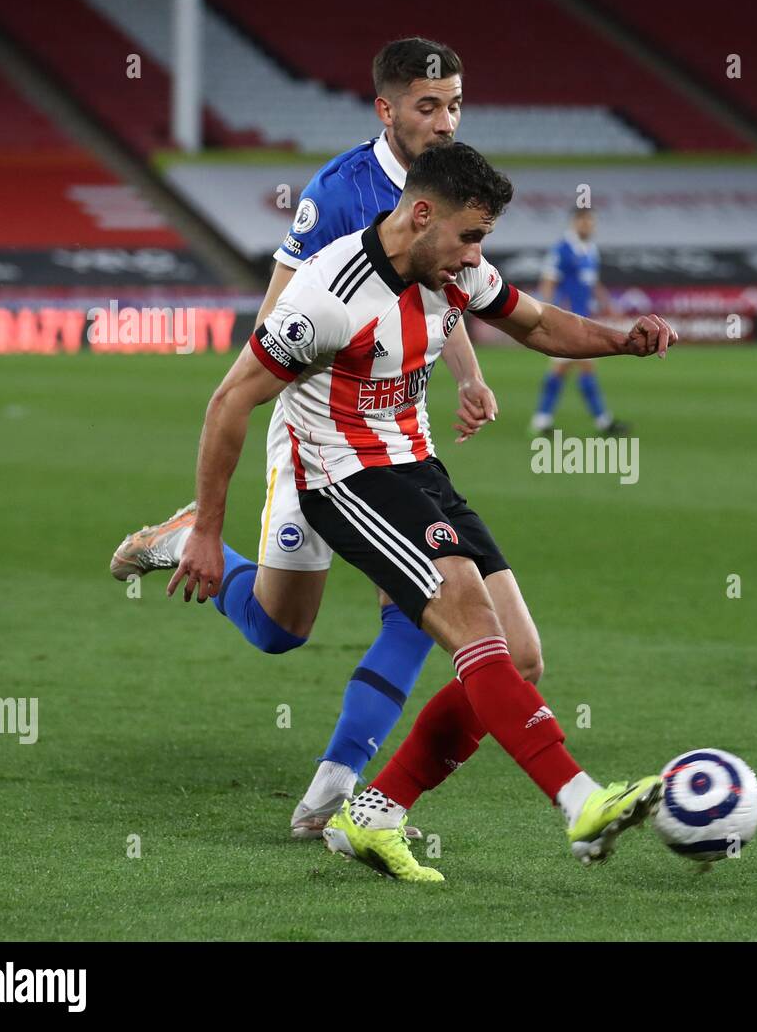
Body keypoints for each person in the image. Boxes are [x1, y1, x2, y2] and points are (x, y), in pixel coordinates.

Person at [168, 142, 678, 880]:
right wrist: (211, 529)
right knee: (465, 618)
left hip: (417, 466)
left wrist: (620, 341)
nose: (477, 254)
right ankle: (582, 800)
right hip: (346, 477)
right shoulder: (327, 295)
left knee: (522, 656)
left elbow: (534, 324)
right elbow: (230, 400)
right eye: (470, 235)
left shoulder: (455, 272)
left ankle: (375, 813)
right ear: (420, 213)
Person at [529, 207, 629, 437]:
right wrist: (547, 314)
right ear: (575, 222)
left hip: (583, 320)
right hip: (567, 321)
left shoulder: (590, 250)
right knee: (581, 366)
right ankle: (603, 421)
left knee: (562, 369)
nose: (589, 226)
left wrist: (608, 304)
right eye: (585, 222)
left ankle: (542, 420)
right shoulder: (562, 250)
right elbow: (548, 282)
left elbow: (592, 284)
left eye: (591, 222)